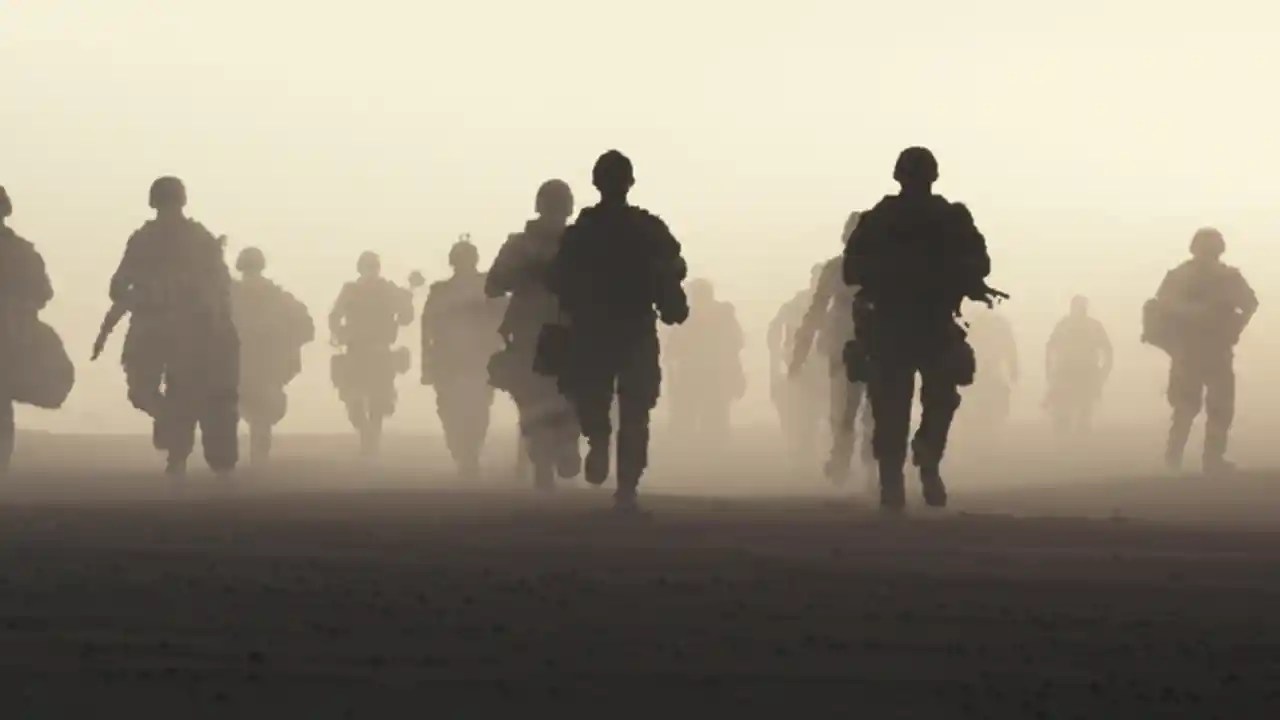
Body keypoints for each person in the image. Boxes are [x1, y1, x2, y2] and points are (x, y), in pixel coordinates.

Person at [845, 147, 1002, 511]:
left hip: (892, 325)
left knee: (891, 404)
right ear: (933, 176)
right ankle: (925, 458)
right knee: (939, 399)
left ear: (898, 176)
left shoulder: (878, 219)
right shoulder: (951, 218)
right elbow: (980, 264)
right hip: (929, 322)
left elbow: (852, 271)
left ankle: (893, 481)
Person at [544, 150, 689, 512]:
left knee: (596, 398)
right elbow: (671, 269)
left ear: (596, 183)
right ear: (630, 183)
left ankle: (600, 445)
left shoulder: (584, 230)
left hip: (595, 329)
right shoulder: (647, 227)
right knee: (634, 408)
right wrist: (671, 302)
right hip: (631, 328)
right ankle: (625, 484)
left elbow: (558, 279)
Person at [108, 177, 239, 477]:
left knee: (179, 391)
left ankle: (177, 456)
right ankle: (174, 430)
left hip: (187, 332)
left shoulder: (194, 238)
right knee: (148, 391)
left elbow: (220, 284)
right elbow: (119, 281)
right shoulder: (146, 239)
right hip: (159, 329)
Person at [486, 180, 582, 489]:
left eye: (560, 205)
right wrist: (527, 273)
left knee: (572, 398)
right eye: (553, 205)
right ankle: (543, 460)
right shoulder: (520, 246)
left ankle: (563, 448)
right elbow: (494, 285)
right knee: (534, 400)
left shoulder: (582, 245)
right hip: (532, 333)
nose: (557, 212)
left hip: (570, 332)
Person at [1143, 228, 1257, 475]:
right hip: (1206, 350)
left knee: (1189, 406)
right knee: (1213, 406)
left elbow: (1162, 306)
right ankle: (1208, 459)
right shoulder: (1225, 276)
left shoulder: (1181, 276)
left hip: (1191, 351)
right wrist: (1232, 323)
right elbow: (1249, 304)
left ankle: (1177, 458)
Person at [790, 211, 875, 487]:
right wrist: (800, 351)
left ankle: (871, 465)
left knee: (874, 412)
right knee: (844, 410)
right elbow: (815, 310)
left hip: (877, 345)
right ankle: (843, 460)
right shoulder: (835, 269)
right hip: (843, 347)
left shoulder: (885, 268)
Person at [422, 239, 505, 480]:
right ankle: (463, 453)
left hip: (479, 357)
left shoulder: (488, 287)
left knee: (477, 409)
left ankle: (469, 454)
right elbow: (427, 328)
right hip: (451, 359)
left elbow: (503, 319)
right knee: (451, 410)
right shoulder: (440, 291)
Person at [231, 247, 315, 466]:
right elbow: (305, 327)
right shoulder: (274, 296)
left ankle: (246, 462)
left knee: (250, 413)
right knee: (259, 416)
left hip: (247, 365)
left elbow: (305, 328)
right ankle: (256, 460)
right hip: (257, 365)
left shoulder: (234, 295)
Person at [329, 251, 416, 457]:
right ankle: (367, 435)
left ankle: (371, 441)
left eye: (372, 268)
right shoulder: (353, 290)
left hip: (376, 351)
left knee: (378, 401)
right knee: (355, 400)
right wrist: (339, 333)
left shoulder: (384, 290)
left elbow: (405, 317)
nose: (370, 272)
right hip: (359, 351)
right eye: (368, 268)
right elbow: (335, 316)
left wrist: (406, 301)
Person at [0, 186, 56, 474]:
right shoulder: (22, 251)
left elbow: (42, 293)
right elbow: (43, 293)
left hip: (10, 337)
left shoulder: (22, 252)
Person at [664, 278, 745, 447]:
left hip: (709, 375)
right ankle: (708, 456)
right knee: (703, 420)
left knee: (708, 420)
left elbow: (736, 342)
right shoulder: (693, 315)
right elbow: (737, 342)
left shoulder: (719, 315)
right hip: (700, 375)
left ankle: (708, 456)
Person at [768, 263, 827, 459]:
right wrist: (777, 361)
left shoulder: (839, 301)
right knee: (805, 409)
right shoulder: (798, 302)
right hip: (805, 366)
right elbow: (775, 329)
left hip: (829, 364)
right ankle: (806, 449)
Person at [1044, 295, 1112, 436]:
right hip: (1068, 372)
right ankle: (1066, 445)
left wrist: (1104, 371)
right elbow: (1050, 348)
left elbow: (1107, 350)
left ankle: (1079, 445)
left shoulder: (1091, 326)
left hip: (1084, 373)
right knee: (1065, 413)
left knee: (1083, 412)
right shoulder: (1065, 325)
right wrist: (1050, 371)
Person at [964, 304, 1019, 427]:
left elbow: (1009, 347)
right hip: (974, 372)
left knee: (995, 403)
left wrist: (1013, 368)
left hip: (991, 372)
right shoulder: (967, 323)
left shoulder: (999, 324)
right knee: (970, 410)